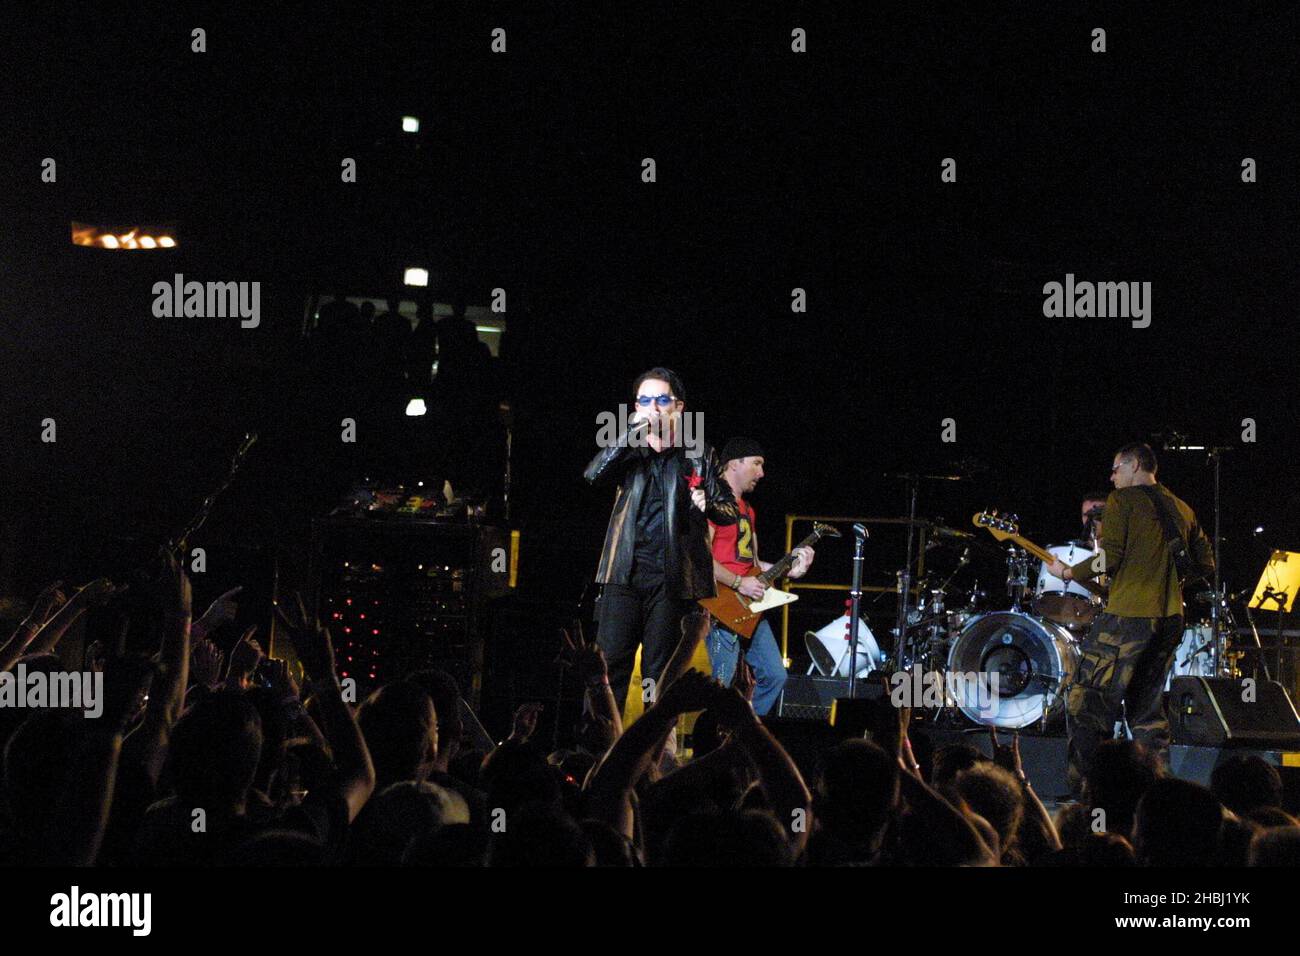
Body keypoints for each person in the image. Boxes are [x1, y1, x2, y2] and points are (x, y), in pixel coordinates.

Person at [1048, 442, 1214, 796]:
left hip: (1128, 618)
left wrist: (1068, 572)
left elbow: (1109, 557)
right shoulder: (1182, 508)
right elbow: (1206, 564)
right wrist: (1166, 580)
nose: (1112, 476)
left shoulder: (1122, 501)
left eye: (1115, 468)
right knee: (1147, 711)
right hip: (1170, 619)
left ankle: (1090, 793)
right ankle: (1159, 795)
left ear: (1135, 464)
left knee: (1087, 703)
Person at [584, 368, 738, 711]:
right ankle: (596, 752)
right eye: (644, 400)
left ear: (678, 407)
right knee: (608, 668)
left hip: (672, 579)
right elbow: (593, 476)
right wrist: (627, 435)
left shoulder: (698, 452)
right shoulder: (628, 451)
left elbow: (730, 511)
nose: (652, 407)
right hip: (624, 573)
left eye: (661, 399)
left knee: (659, 673)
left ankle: (653, 753)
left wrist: (709, 504)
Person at [702, 438, 813, 715]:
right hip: (721, 606)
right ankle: (712, 742)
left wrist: (791, 567)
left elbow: (752, 564)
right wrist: (739, 583)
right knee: (721, 684)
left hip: (749, 606)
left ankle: (744, 733)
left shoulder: (748, 510)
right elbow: (700, 559)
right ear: (735, 463)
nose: (762, 473)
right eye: (757, 464)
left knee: (776, 675)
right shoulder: (712, 503)